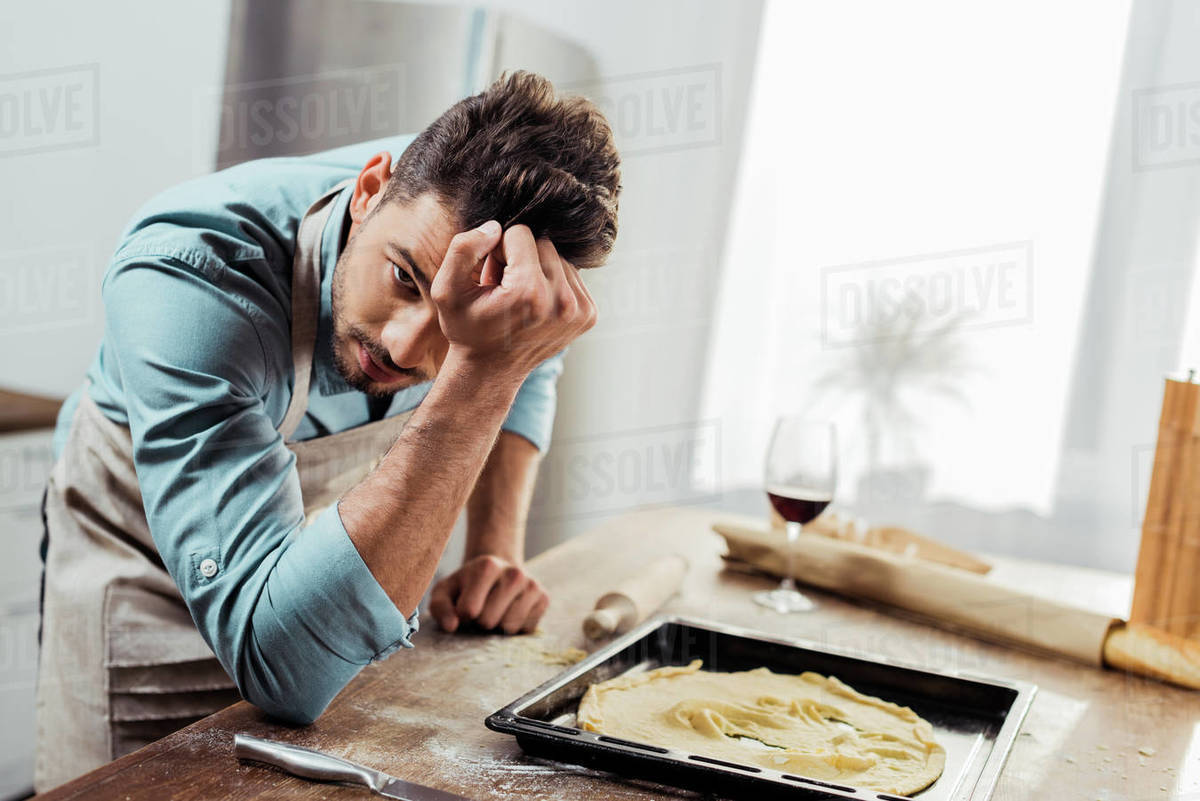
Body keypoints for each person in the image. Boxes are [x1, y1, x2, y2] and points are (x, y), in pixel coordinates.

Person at [35, 70, 620, 791]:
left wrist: (495, 548)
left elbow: (535, 361)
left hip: (332, 587)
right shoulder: (187, 276)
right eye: (406, 278)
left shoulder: (479, 253)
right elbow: (284, 670)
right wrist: (479, 372)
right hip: (147, 592)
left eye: (454, 323)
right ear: (370, 190)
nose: (408, 348)